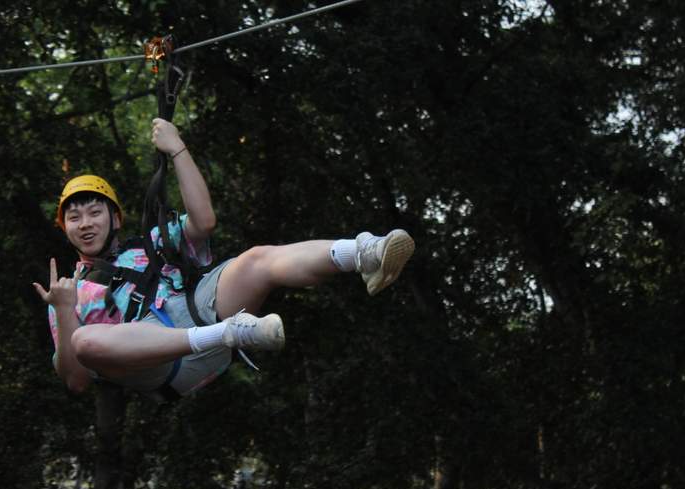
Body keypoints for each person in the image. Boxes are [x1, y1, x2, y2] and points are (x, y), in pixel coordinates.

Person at [34, 118, 414, 400]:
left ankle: (364, 253)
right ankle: (229, 332)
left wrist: (177, 148)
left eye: (94, 212)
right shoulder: (68, 292)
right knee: (85, 341)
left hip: (196, 310)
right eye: (74, 217)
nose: (85, 223)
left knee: (256, 259)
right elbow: (76, 380)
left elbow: (204, 221)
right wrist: (65, 310)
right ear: (64, 228)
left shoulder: (150, 244)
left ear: (115, 217)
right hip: (156, 362)